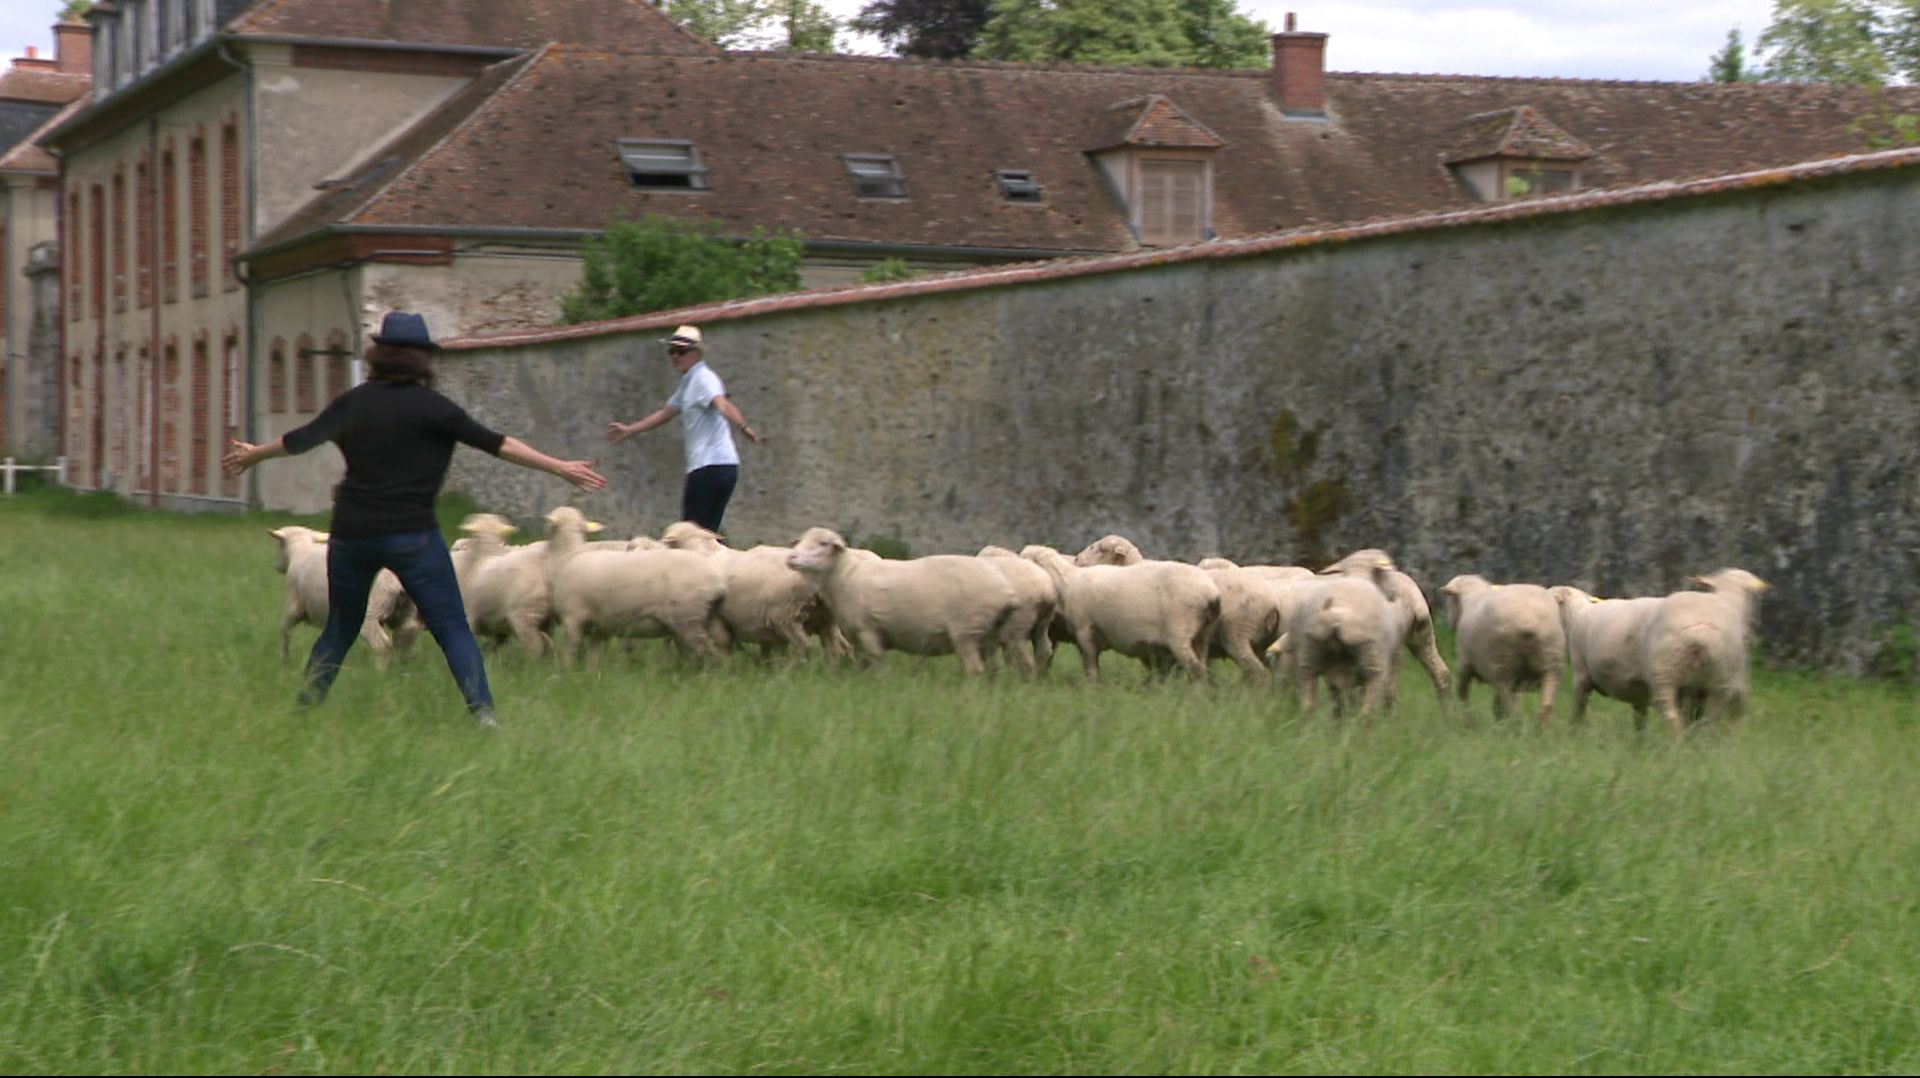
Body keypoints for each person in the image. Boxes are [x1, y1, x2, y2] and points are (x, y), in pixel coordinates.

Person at [222, 311, 606, 726]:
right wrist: (559, 467)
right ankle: (484, 715)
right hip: (413, 535)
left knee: (341, 627)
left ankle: (304, 710)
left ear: (379, 354)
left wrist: (256, 454)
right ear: (422, 358)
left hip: (353, 533)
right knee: (452, 627)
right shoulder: (434, 408)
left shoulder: (353, 402)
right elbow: (499, 444)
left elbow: (300, 439)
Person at [604, 324, 762, 533]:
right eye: (672, 351)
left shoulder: (704, 379)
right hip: (709, 467)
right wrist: (629, 430)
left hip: (711, 466)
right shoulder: (689, 382)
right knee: (700, 533)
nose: (675, 356)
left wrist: (742, 426)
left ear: (697, 353)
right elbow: (665, 413)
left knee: (691, 534)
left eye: (681, 351)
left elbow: (722, 403)